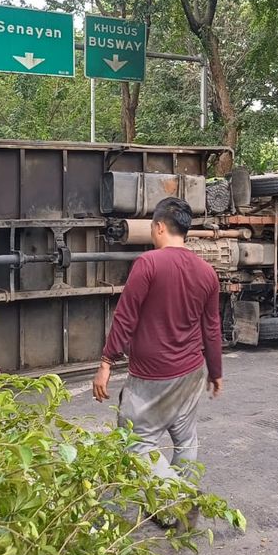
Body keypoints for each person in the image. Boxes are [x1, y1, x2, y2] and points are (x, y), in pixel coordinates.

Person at [92, 196, 223, 484]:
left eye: (152, 227)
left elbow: (126, 316)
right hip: (192, 372)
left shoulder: (148, 263)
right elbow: (212, 329)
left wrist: (106, 362)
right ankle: (181, 494)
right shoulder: (207, 272)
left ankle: (178, 497)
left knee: (135, 444)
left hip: (152, 376)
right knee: (186, 439)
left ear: (160, 227)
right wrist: (215, 372)